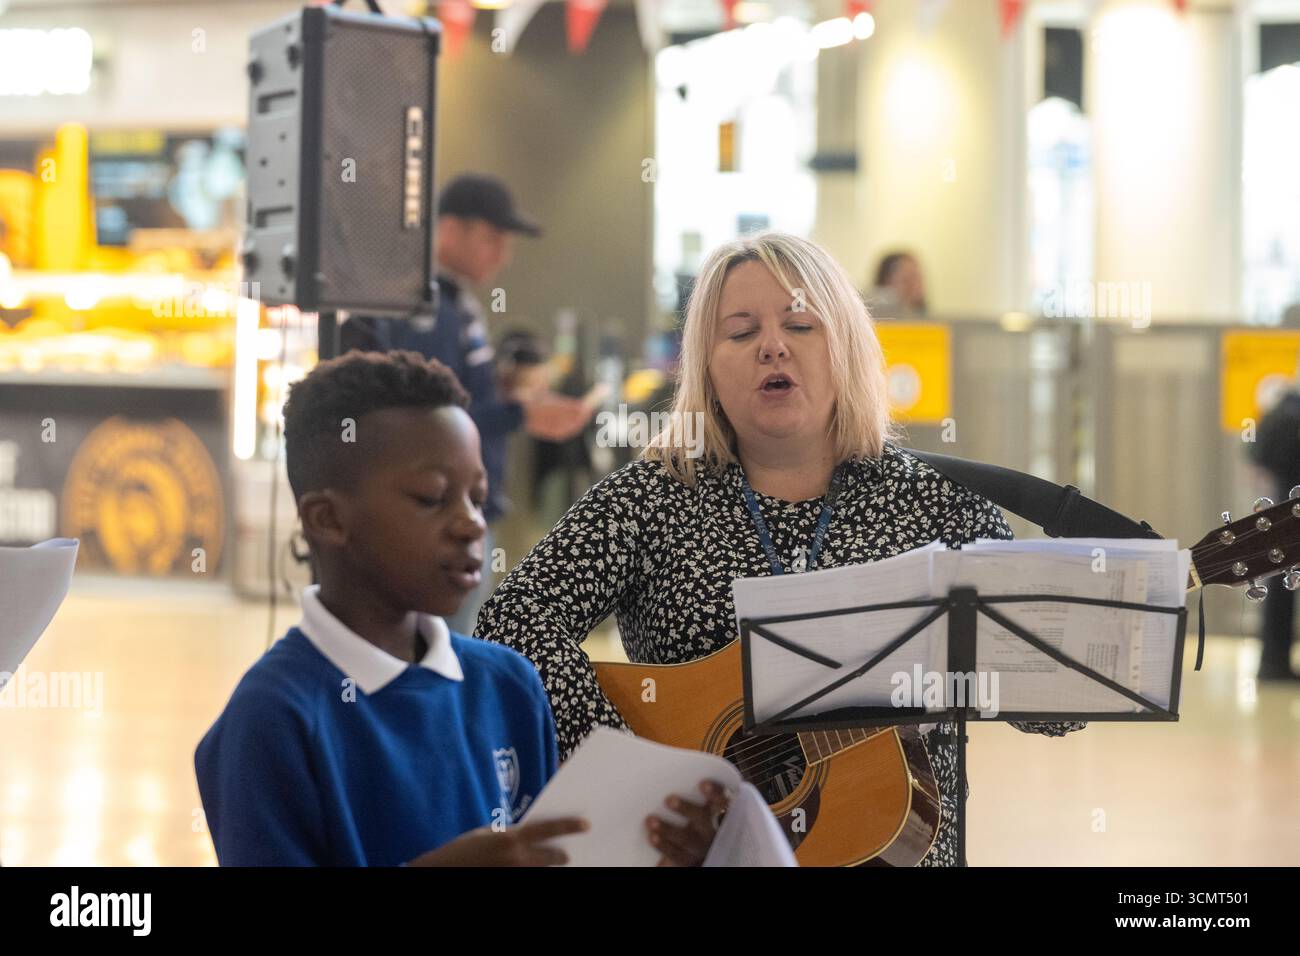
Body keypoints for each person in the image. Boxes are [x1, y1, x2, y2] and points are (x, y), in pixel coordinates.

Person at [476, 231, 1085, 867]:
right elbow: (511, 623)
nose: (772, 345)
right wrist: (645, 778)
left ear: (845, 346)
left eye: (800, 323)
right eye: (740, 333)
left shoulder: (938, 506)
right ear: (706, 365)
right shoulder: (651, 498)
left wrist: (1061, 648)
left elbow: (1055, 715)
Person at [194, 350, 723, 865]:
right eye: (431, 497)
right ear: (329, 520)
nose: (471, 523)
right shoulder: (273, 718)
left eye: (477, 496)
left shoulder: (508, 685)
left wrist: (660, 854)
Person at [341, 174, 595, 634]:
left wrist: (508, 393)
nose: (502, 254)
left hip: (460, 512)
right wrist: (522, 414)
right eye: (492, 237)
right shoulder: (428, 307)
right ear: (450, 229)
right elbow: (429, 419)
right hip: (442, 520)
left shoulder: (453, 302)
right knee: (442, 658)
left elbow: (454, 398)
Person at [1249, 383, 1300, 681]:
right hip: (1288, 511)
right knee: (1282, 587)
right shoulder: (1288, 414)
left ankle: (1273, 662)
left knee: (1281, 586)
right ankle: (1273, 664)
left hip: (1282, 509)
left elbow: (1257, 458)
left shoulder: (1279, 413)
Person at [868, 249, 927, 318]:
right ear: (886, 283)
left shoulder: (929, 323)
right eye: (906, 280)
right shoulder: (876, 322)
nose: (916, 285)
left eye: (918, 277)